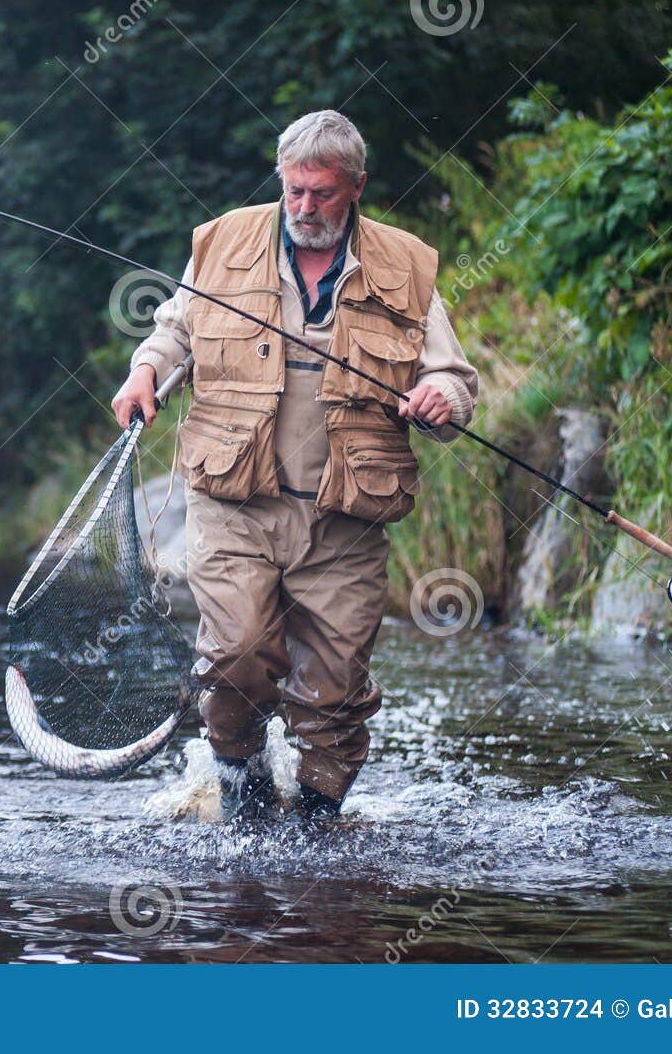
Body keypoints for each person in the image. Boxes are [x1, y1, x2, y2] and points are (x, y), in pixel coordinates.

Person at [111, 110, 479, 825]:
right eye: (294, 190)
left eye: (324, 194)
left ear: (358, 187)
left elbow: (454, 378)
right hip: (232, 505)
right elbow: (174, 334)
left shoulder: (405, 267)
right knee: (238, 657)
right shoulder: (222, 244)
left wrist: (443, 398)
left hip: (345, 519)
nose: (305, 208)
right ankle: (242, 790)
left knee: (336, 693)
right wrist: (144, 374)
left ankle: (316, 825)